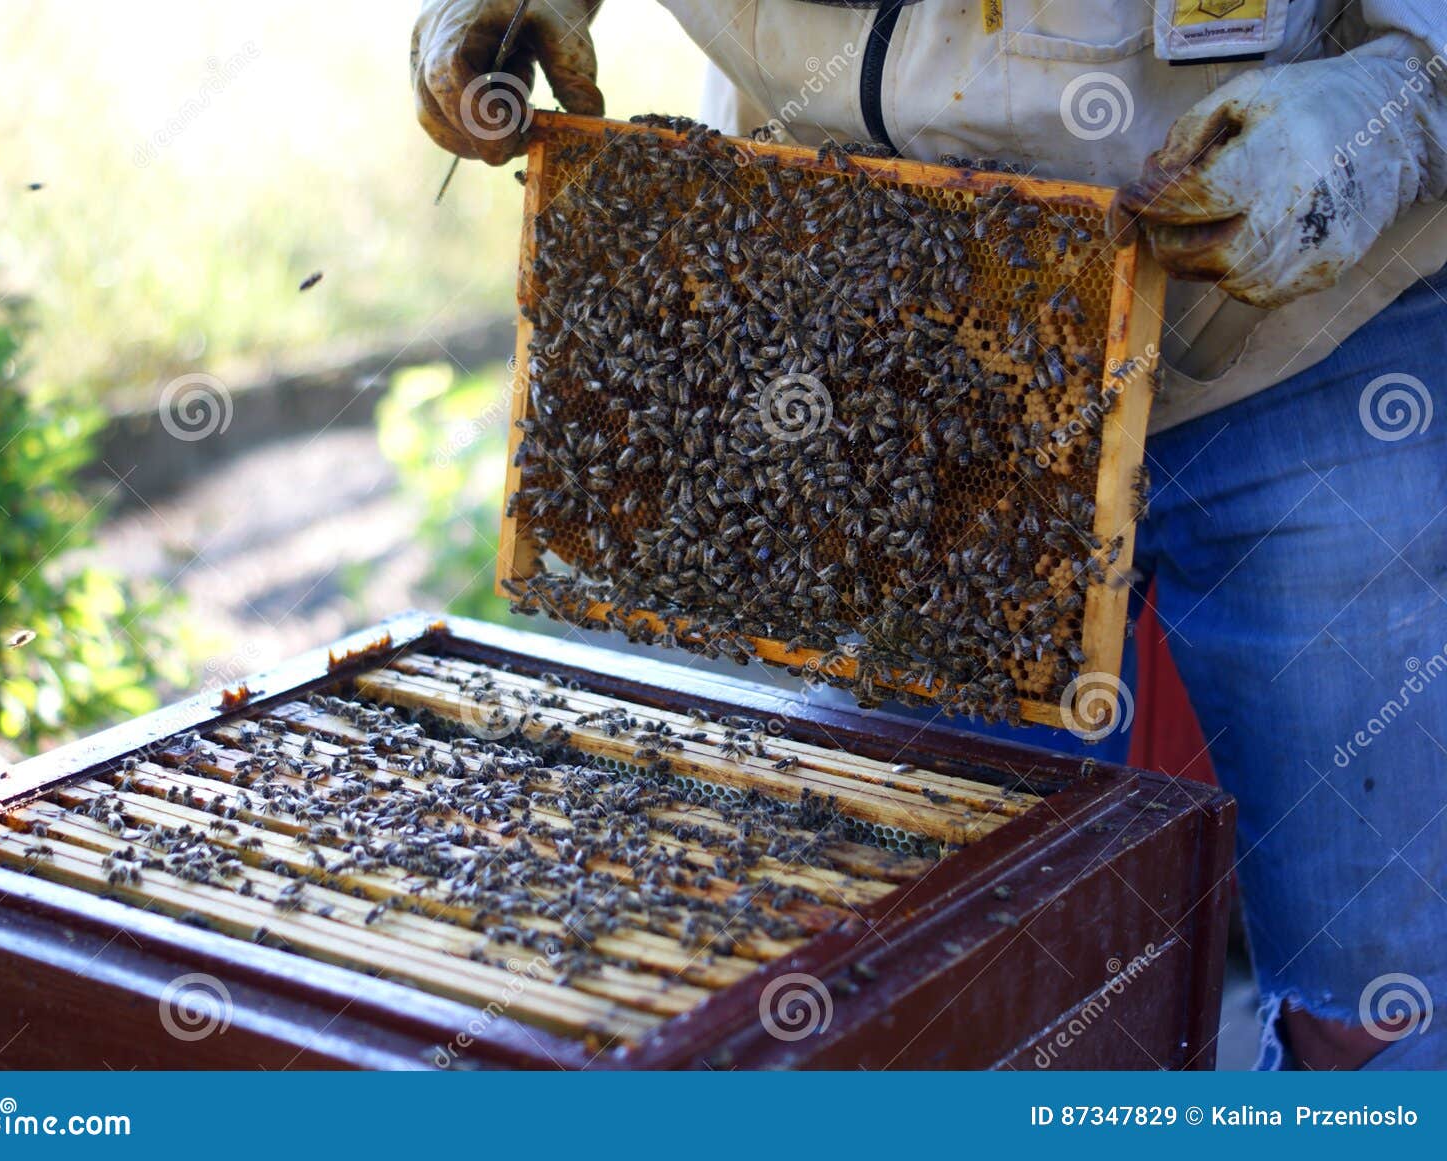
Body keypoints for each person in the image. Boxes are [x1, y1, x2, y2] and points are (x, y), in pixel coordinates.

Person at [411, 0, 1447, 1070]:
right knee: (931, 985)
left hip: (1310, 333)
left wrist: (1396, 106)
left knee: (1377, 1002)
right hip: (885, 360)